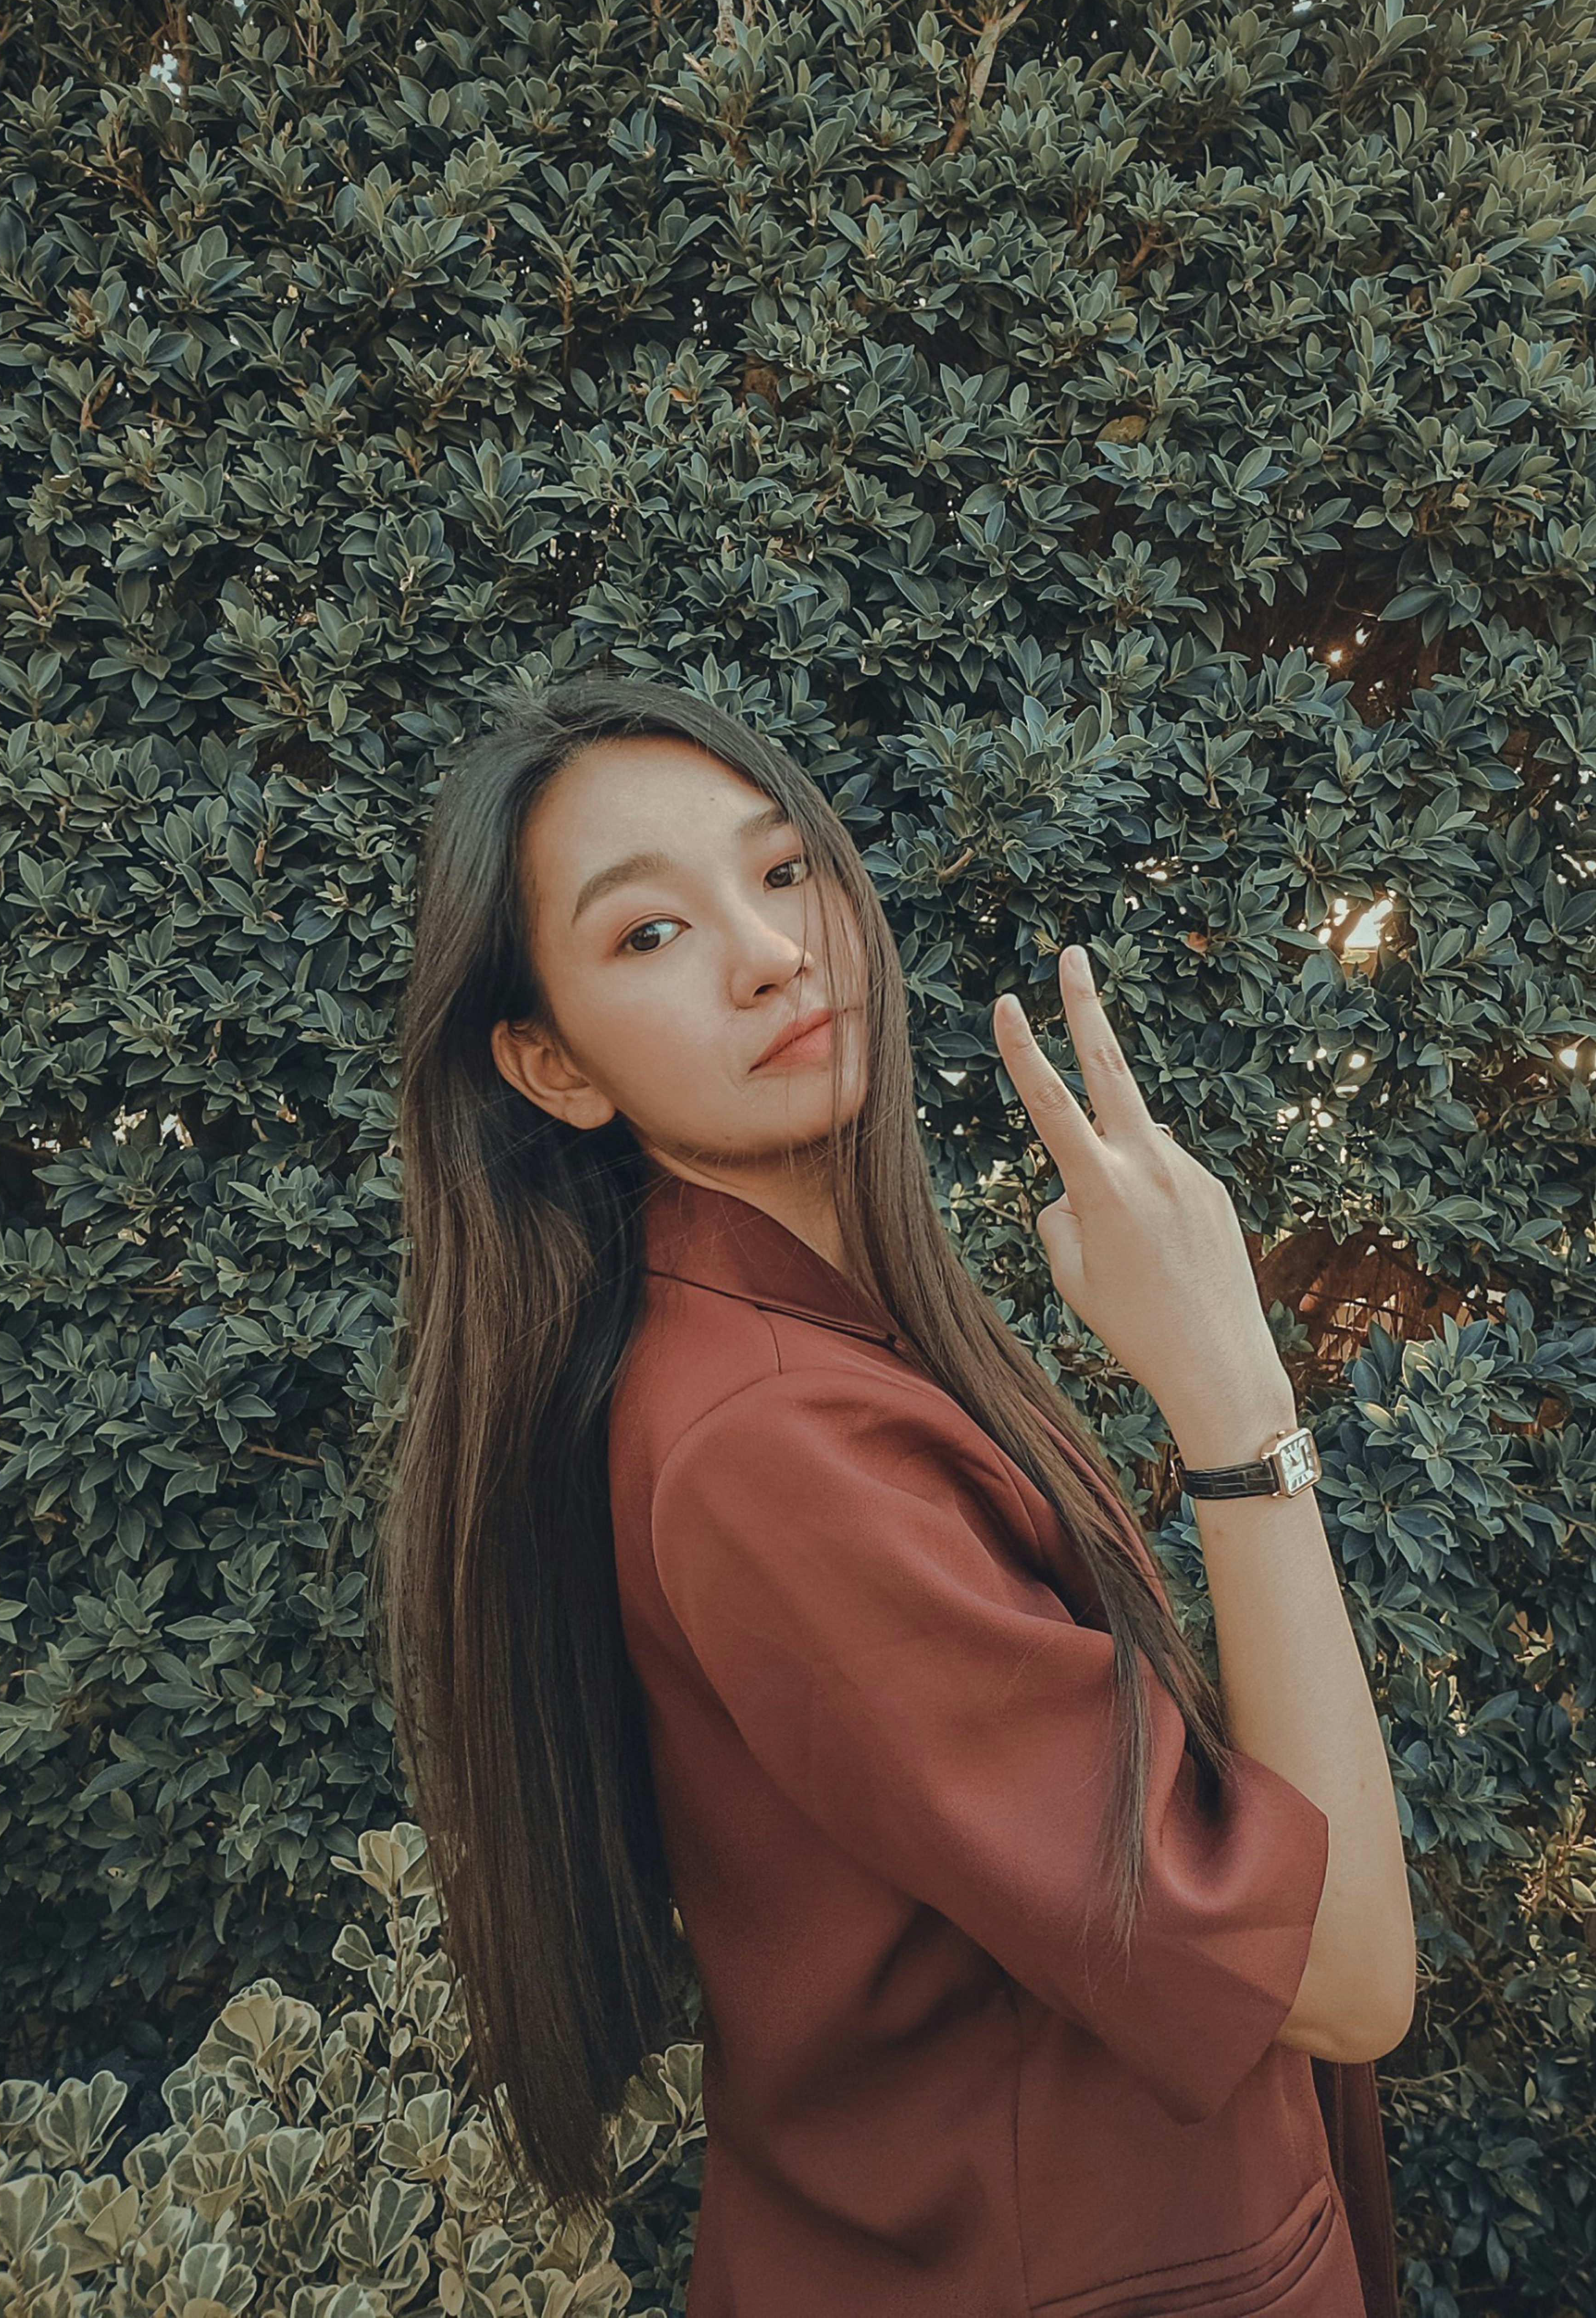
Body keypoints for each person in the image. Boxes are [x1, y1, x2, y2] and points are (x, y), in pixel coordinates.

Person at [381, 665, 1415, 2318]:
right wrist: (1233, 1394)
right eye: (650, 935)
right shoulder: (767, 1452)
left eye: (784, 871)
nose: (774, 952)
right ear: (551, 1066)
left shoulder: (792, 1332)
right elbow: (1349, 1980)